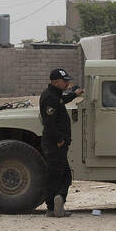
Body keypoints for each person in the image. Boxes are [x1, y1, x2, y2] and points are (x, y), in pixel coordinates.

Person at [40, 68, 83, 216]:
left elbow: (62, 100)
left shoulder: (55, 95)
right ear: (56, 82)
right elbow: (49, 122)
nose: (67, 84)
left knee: (57, 174)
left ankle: (54, 206)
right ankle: (56, 203)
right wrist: (59, 139)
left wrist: (73, 94)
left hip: (57, 143)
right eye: (65, 81)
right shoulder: (49, 98)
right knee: (60, 175)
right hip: (54, 143)